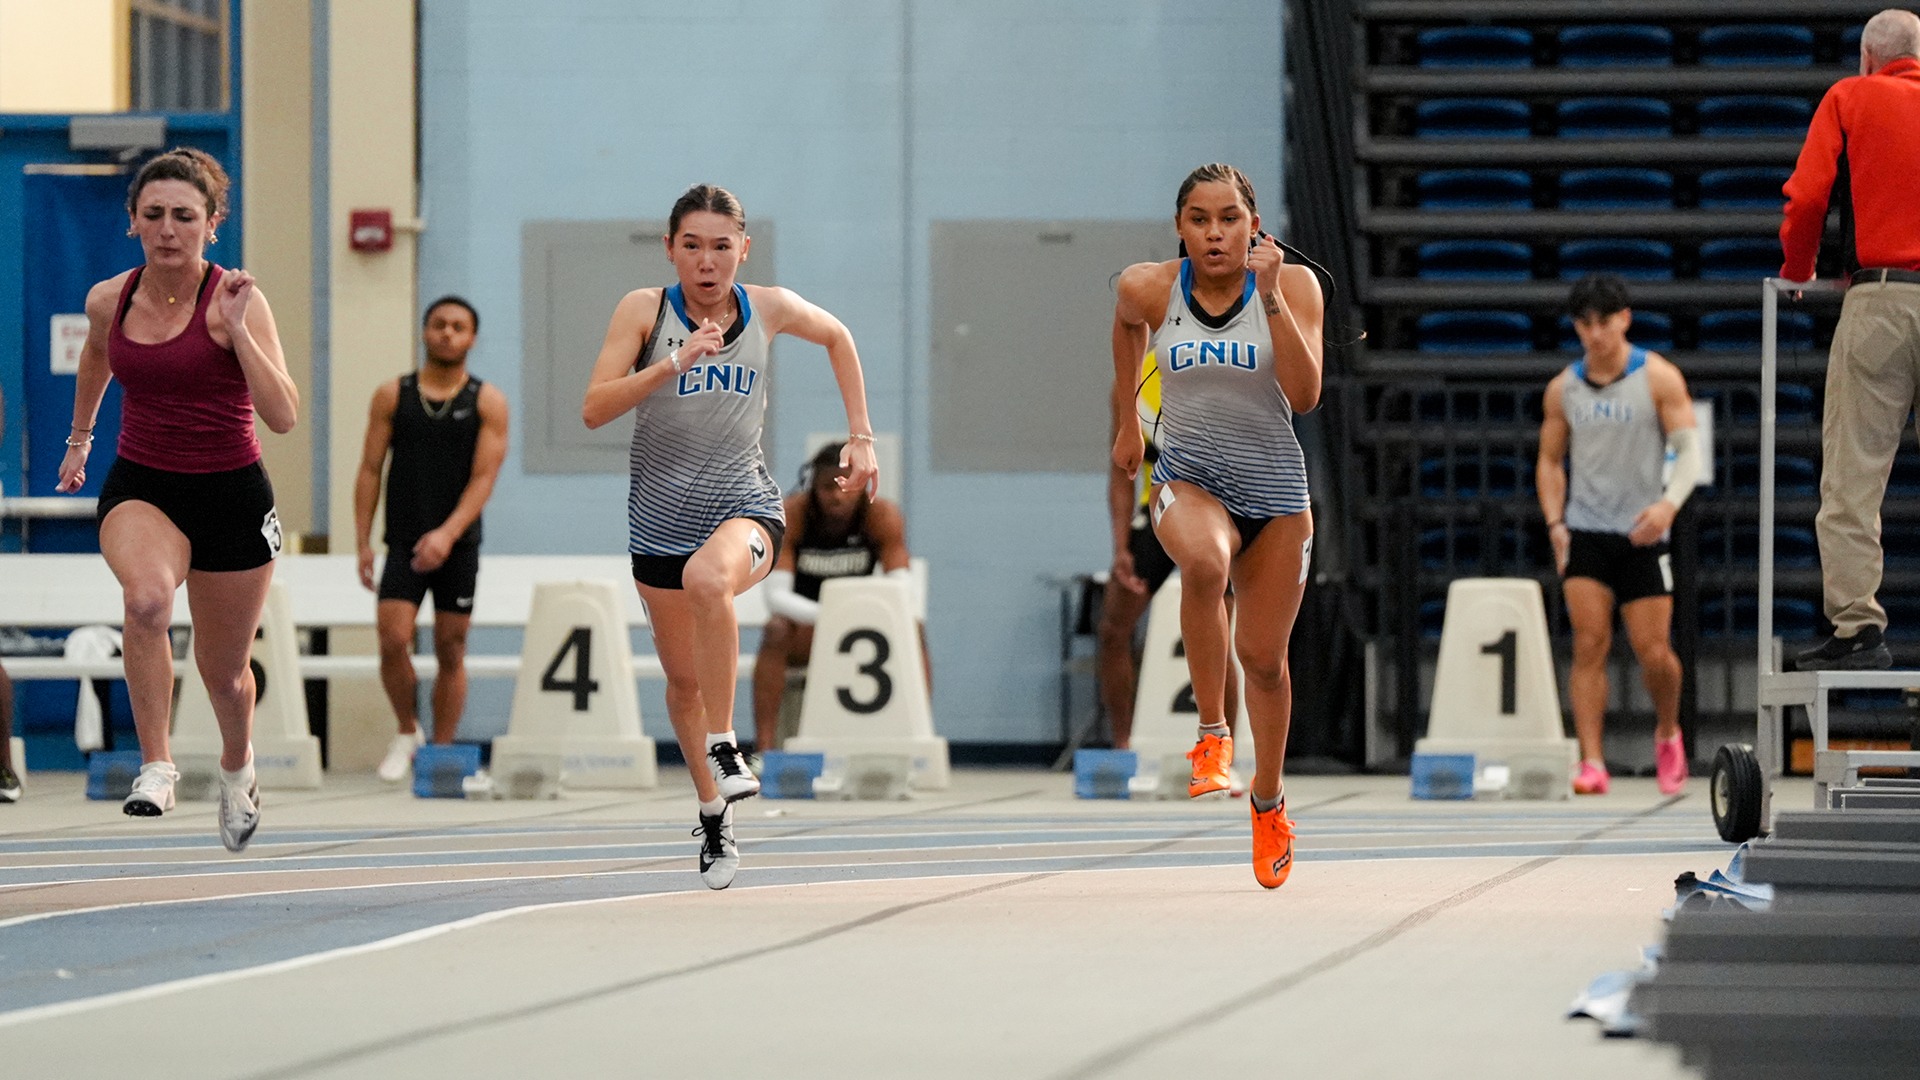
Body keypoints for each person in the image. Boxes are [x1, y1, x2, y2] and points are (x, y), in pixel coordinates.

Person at [583, 184, 877, 890]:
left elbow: (838, 336)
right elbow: (594, 407)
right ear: (670, 249)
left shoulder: (766, 308)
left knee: (710, 579)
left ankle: (725, 745)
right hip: (658, 522)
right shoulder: (644, 311)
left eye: (722, 246)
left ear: (743, 249)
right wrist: (671, 364)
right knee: (682, 683)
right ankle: (714, 813)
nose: (707, 261)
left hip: (744, 507)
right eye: (693, 246)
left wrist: (862, 437)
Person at [56, 147, 298, 851]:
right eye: (154, 214)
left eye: (184, 217)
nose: (168, 229)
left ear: (212, 224)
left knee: (225, 677)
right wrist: (80, 438)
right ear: (133, 221)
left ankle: (236, 767)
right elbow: (98, 354)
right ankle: (156, 763)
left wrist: (240, 331)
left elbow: (282, 415)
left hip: (231, 494)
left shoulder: (237, 300)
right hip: (144, 485)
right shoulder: (111, 297)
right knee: (147, 602)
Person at [1110, 163, 1322, 889]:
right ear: (1180, 228)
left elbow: (1306, 392)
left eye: (1228, 218)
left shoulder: (1293, 287)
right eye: (1199, 219)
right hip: (1190, 479)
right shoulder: (1151, 286)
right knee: (1202, 566)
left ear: (1253, 224)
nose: (1214, 233)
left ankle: (1268, 800)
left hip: (1277, 497)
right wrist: (1127, 425)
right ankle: (1210, 734)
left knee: (1264, 659)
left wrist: (1273, 301)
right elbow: (1125, 319)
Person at [1780, 8, 1920, 671]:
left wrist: (1798, 269)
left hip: (1882, 300)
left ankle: (1860, 629)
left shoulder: (1851, 95)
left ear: (1868, 56)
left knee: (1854, 480)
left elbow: (1808, 199)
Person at [1536, 275, 1700, 796]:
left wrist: (1668, 505)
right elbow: (1549, 460)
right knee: (1589, 645)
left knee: (1655, 652)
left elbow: (1690, 451)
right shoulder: (1564, 388)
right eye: (1584, 324)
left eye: (1603, 322)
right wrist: (1556, 523)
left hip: (1642, 532)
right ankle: (1592, 761)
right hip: (1587, 530)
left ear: (1624, 319)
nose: (1594, 334)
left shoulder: (1658, 378)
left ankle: (1669, 733)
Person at [353, 296, 509, 781]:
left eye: (458, 327)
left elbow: (484, 478)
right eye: (439, 325)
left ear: (472, 338)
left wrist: (447, 533)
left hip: (457, 544)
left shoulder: (487, 401)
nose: (447, 334)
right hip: (403, 539)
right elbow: (370, 468)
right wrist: (362, 541)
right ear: (424, 332)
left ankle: (441, 751)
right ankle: (407, 730)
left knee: (451, 646)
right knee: (392, 637)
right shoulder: (391, 395)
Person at [1097, 351, 1242, 755]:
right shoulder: (1135, 378)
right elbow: (1120, 471)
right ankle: (1123, 744)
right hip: (1159, 509)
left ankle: (1220, 749)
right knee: (1113, 627)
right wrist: (1120, 545)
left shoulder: (1227, 369)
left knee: (1220, 634)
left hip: (1217, 512)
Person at [751, 441, 922, 754]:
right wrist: (832, 619)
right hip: (809, 628)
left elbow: (902, 588)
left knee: (915, 628)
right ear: (813, 486)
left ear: (862, 485)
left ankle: (919, 739)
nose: (838, 495)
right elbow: (776, 597)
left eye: (847, 486)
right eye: (828, 487)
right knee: (775, 629)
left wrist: (858, 619)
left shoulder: (881, 515)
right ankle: (764, 751)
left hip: (861, 630)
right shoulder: (792, 515)